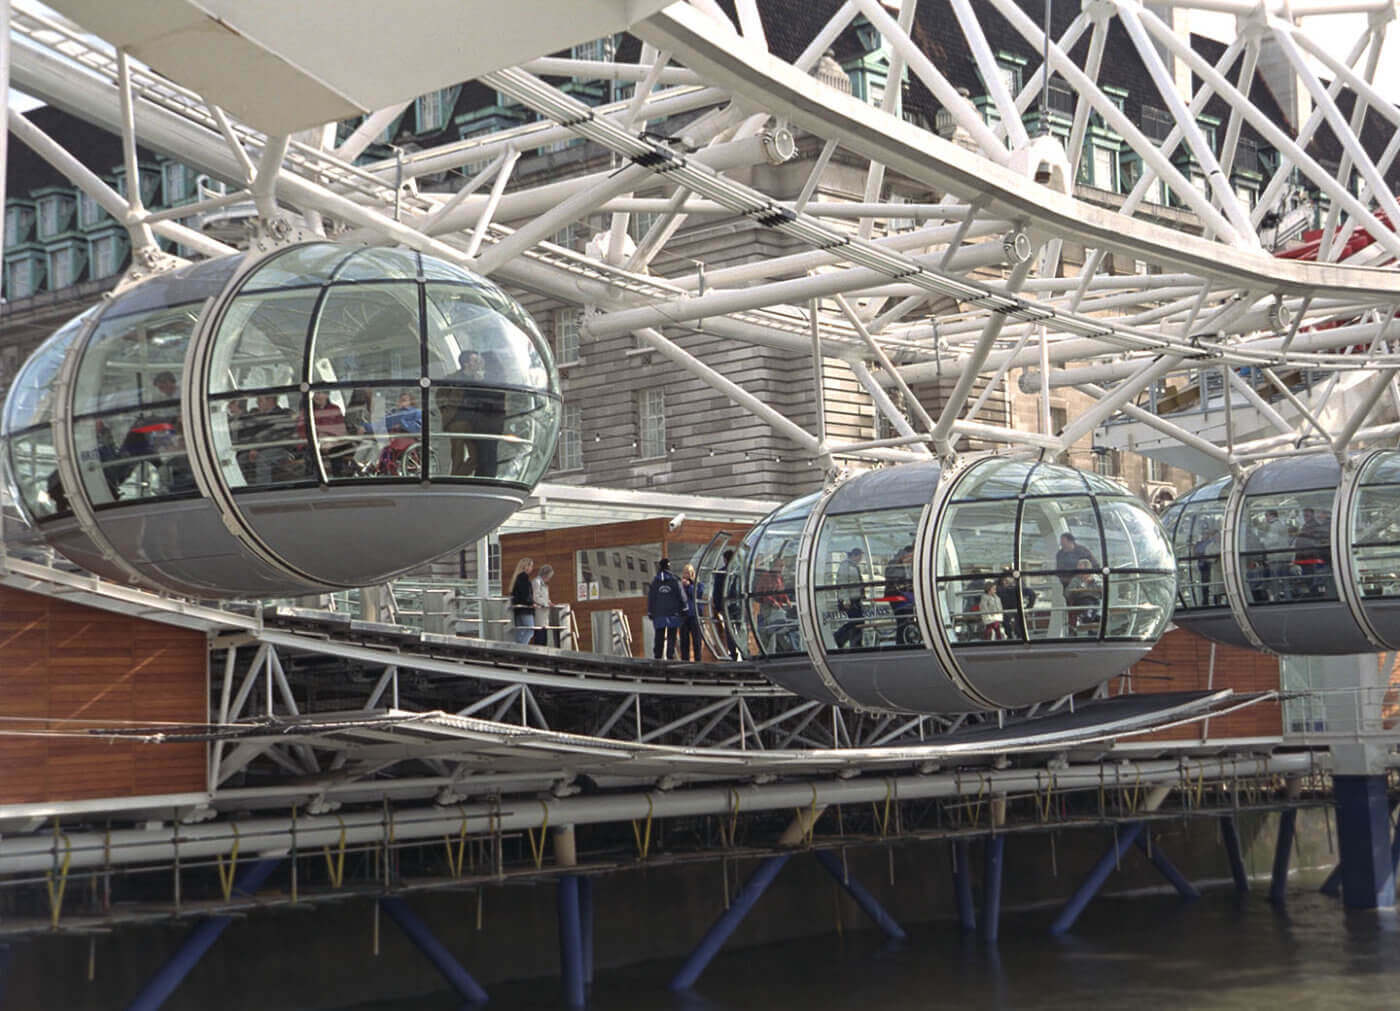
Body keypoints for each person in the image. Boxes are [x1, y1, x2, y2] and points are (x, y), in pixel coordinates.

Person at [440, 349, 485, 476]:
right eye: (475, 360)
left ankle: (455, 477)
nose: (478, 363)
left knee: (476, 457)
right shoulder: (452, 378)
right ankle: (455, 479)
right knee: (457, 455)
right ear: (466, 363)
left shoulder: (479, 380)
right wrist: (448, 410)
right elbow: (440, 396)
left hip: (474, 423)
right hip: (457, 421)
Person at [299, 390, 353, 476]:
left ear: (327, 395)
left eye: (320, 393)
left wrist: (331, 441)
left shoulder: (335, 409)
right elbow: (302, 431)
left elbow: (341, 430)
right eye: (315, 393)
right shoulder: (306, 412)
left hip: (334, 443)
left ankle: (338, 478)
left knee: (340, 453)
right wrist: (318, 439)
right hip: (313, 443)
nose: (317, 396)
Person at [646, 557, 685, 659]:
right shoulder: (675, 580)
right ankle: (670, 656)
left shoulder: (655, 582)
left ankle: (658, 657)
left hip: (659, 613)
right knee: (672, 636)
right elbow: (681, 595)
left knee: (659, 635)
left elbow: (651, 598)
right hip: (673, 613)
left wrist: (650, 611)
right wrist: (685, 608)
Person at [832, 546, 866, 649]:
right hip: (850, 600)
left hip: (855, 598)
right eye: (859, 557)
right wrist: (846, 599)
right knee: (856, 621)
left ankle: (854, 642)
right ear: (854, 555)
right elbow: (843, 583)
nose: (860, 560)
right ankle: (840, 638)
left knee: (858, 621)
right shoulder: (845, 566)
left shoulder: (853, 566)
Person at [885, 544, 917, 645]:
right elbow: (891, 576)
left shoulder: (906, 564)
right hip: (896, 596)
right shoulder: (895, 563)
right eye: (911, 556)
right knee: (903, 619)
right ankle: (901, 642)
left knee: (908, 618)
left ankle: (907, 640)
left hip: (905, 596)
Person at [1065, 558, 1103, 636]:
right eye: (1078, 570)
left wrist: (1094, 581)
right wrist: (1080, 587)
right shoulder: (1076, 580)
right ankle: (1088, 619)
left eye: (1082, 570)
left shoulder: (1096, 578)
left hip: (1095, 600)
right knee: (1089, 605)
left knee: (1093, 606)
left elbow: (1104, 589)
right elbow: (1067, 592)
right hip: (1080, 600)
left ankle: (1088, 620)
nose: (1080, 572)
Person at [712, 548, 738, 659]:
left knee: (729, 630)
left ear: (725, 560)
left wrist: (718, 606)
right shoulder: (738, 572)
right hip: (737, 604)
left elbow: (716, 591)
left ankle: (733, 653)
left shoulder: (720, 573)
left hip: (726, 605)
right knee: (740, 628)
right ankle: (744, 650)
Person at [996, 568, 1036, 640]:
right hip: (1012, 608)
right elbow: (1031, 594)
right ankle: (1015, 636)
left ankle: (1013, 636)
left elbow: (1031, 594)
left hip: (1010, 608)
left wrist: (1028, 607)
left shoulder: (1001, 588)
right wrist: (1029, 607)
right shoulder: (1018, 586)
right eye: (1005, 581)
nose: (1007, 582)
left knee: (1013, 623)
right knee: (1013, 622)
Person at [679, 563, 703, 662]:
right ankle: (685, 660)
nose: (686, 575)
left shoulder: (699, 584)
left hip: (695, 615)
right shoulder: (680, 585)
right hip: (684, 615)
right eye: (685, 573)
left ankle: (698, 660)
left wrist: (689, 586)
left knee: (697, 640)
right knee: (684, 641)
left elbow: (697, 595)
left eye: (688, 573)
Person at [508, 557, 536, 644]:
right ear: (526, 567)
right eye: (531, 566)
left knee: (520, 631)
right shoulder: (524, 578)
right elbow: (525, 594)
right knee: (530, 630)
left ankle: (517, 649)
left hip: (518, 610)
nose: (532, 568)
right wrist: (531, 603)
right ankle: (522, 649)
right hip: (525, 609)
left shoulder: (516, 578)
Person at [531, 563, 554, 646]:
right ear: (545, 575)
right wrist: (545, 603)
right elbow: (535, 596)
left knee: (544, 635)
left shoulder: (544, 584)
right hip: (539, 612)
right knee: (539, 635)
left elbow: (544, 596)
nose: (549, 579)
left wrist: (549, 601)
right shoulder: (537, 582)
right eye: (549, 576)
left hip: (544, 613)